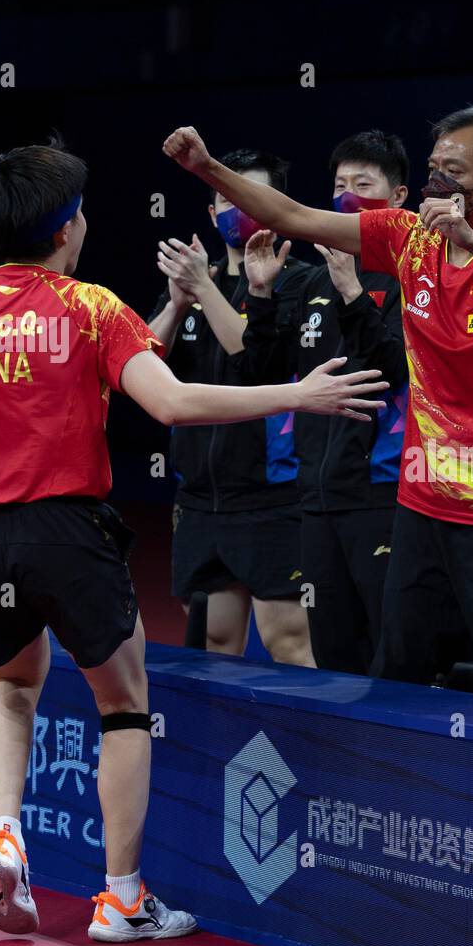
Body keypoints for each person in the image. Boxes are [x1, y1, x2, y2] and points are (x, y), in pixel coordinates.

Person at [0, 139, 386, 939]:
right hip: (66, 531)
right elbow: (175, 404)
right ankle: (122, 900)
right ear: (63, 232)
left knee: (13, 689)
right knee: (122, 705)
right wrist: (302, 391)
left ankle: (6, 836)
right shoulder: (88, 306)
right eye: (79, 212)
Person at [164, 105, 473, 702]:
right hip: (421, 500)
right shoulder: (406, 237)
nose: (439, 182)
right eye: (434, 167)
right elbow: (294, 215)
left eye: (454, 170)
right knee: (396, 664)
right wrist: (206, 168)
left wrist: (472, 242)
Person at [237, 130, 410, 674]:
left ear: (399, 198)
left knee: (391, 648)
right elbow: (262, 377)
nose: (348, 197)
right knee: (333, 652)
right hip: (314, 497)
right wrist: (261, 297)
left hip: (381, 494)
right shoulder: (308, 282)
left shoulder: (413, 279)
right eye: (340, 186)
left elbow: (392, 372)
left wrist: (354, 291)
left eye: (364, 184)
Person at [146, 149, 315, 664]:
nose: (232, 209)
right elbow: (144, 362)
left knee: (288, 639)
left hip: (271, 497)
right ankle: (219, 747)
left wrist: (203, 288)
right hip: (199, 498)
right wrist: (177, 304)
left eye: (244, 198)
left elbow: (252, 360)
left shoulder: (300, 283)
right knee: (213, 643)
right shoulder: (193, 284)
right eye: (223, 199)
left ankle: (308, 746)